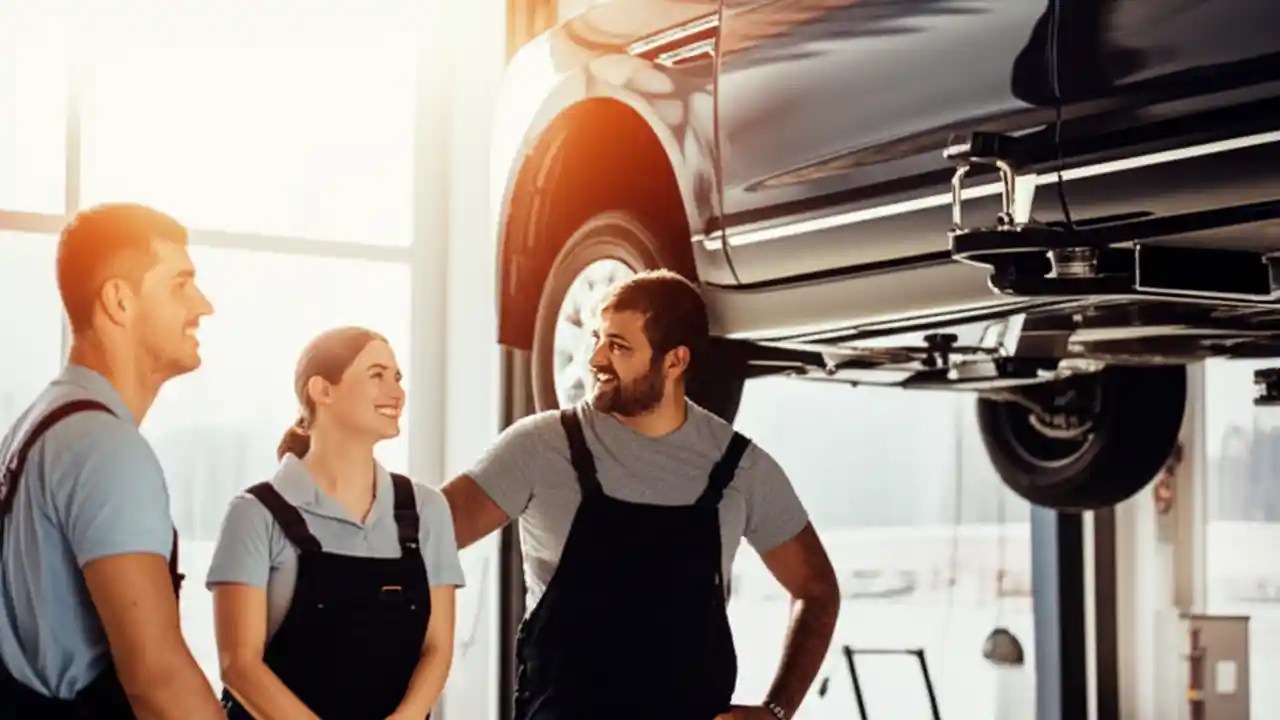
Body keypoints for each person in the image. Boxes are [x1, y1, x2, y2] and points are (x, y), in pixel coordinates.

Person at [443, 270, 841, 720]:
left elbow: (817, 589)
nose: (594, 359)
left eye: (618, 346)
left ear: (675, 362)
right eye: (597, 338)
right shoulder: (539, 447)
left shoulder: (740, 469)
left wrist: (776, 709)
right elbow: (425, 540)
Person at [0, 203, 223, 718]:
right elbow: (157, 678)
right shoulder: (107, 449)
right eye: (180, 284)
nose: (204, 305)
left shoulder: (40, 426)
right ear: (120, 301)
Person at [208, 327, 464, 720]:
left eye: (397, 377)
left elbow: (438, 647)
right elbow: (239, 666)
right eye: (377, 375)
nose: (396, 392)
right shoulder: (256, 514)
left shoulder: (426, 510)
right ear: (322, 390)